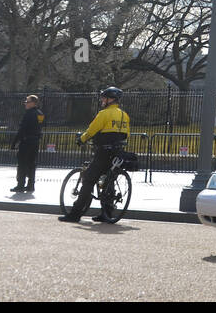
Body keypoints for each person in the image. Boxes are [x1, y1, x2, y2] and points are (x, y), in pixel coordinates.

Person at [59, 87, 130, 223]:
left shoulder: (104, 114)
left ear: (111, 99)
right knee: (109, 181)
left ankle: (75, 214)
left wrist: (82, 139)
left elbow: (92, 130)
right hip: (117, 152)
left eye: (104, 98)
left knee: (88, 180)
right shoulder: (124, 115)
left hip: (103, 151)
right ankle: (106, 213)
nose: (102, 100)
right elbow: (127, 134)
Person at [9, 95, 45, 193]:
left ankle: (20, 185)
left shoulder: (29, 114)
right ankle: (31, 185)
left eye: (27, 102)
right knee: (32, 164)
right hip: (35, 141)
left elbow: (22, 129)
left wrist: (14, 142)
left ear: (33, 103)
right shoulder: (40, 113)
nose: (25, 103)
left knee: (22, 164)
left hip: (26, 141)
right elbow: (40, 127)